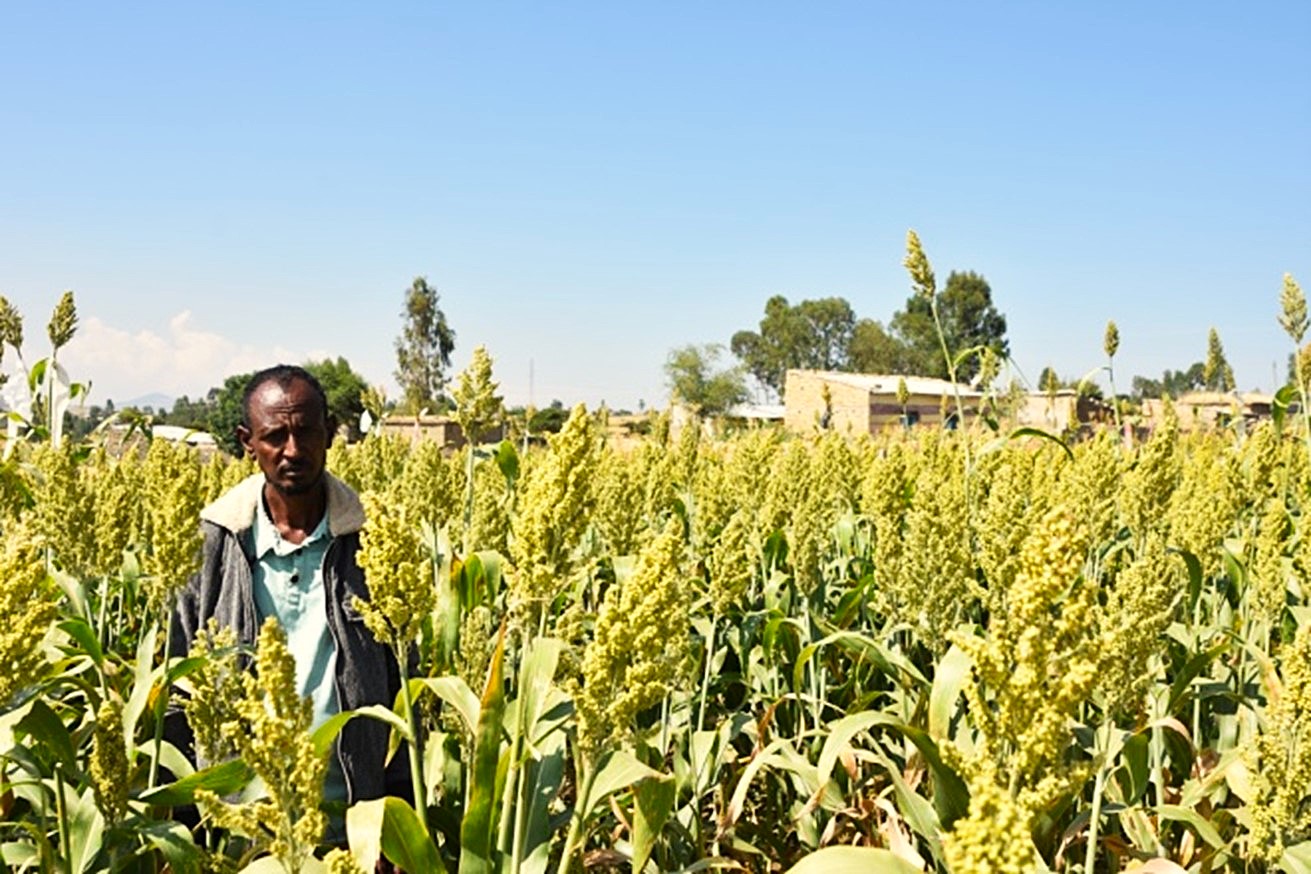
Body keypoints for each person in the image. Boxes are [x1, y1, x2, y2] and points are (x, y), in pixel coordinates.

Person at [166, 364, 408, 824]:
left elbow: (404, 686)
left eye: (306, 432)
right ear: (247, 442)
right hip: (242, 828)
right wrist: (183, 821)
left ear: (330, 434)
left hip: (350, 823)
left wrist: (394, 816)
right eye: (275, 436)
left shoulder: (372, 542)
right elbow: (178, 685)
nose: (293, 450)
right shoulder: (214, 543)